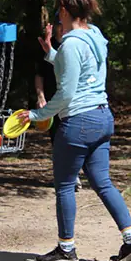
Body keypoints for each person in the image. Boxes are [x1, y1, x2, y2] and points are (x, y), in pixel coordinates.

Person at [18, 0, 131, 261]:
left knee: (64, 185)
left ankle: (66, 249)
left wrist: (37, 114)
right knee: (102, 182)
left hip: (79, 121)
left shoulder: (73, 43)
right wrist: (51, 52)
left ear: (64, 11)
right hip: (103, 116)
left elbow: (66, 93)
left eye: (58, 13)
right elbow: (81, 70)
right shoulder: (95, 36)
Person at [34, 19, 82, 190]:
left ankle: (73, 174)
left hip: (72, 103)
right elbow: (39, 75)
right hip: (53, 101)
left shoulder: (74, 44)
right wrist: (40, 97)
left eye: (65, 26)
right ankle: (65, 176)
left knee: (72, 138)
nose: (62, 30)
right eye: (59, 27)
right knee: (58, 140)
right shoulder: (48, 46)